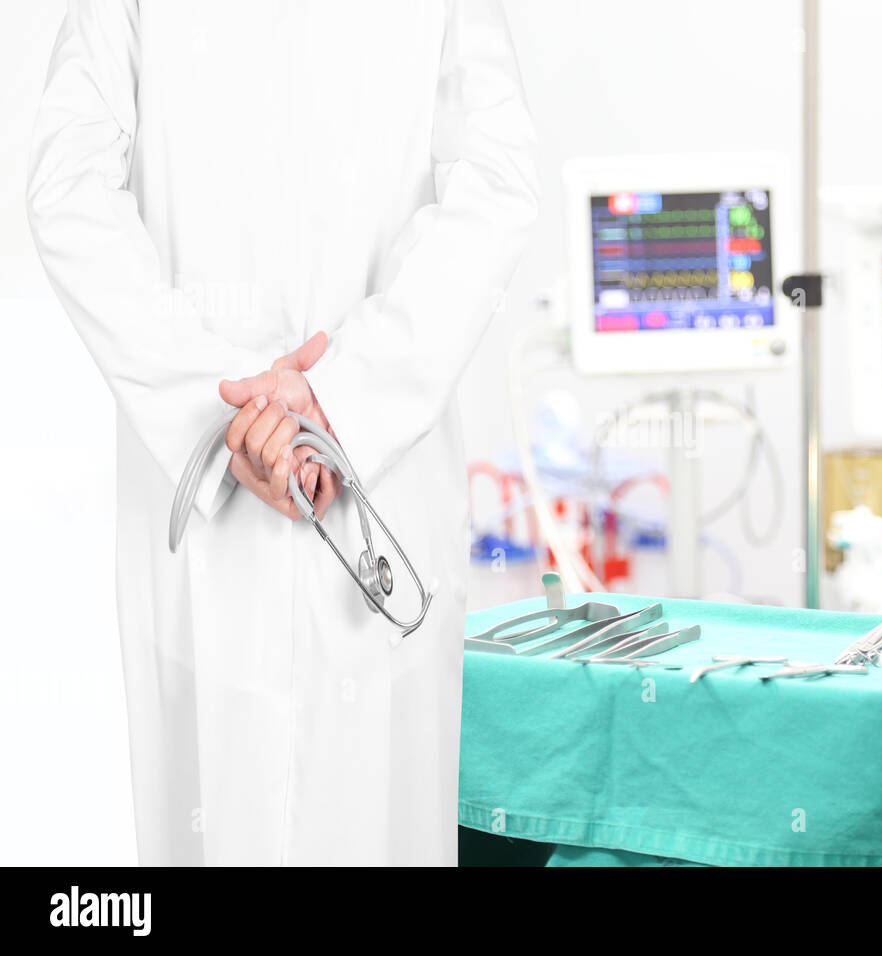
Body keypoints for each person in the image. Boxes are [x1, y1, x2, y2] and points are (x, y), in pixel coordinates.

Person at [27, 0, 538, 866]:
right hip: (219, 494)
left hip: (369, 491)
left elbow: (495, 179)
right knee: (216, 814)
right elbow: (67, 187)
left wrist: (328, 402)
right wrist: (253, 405)